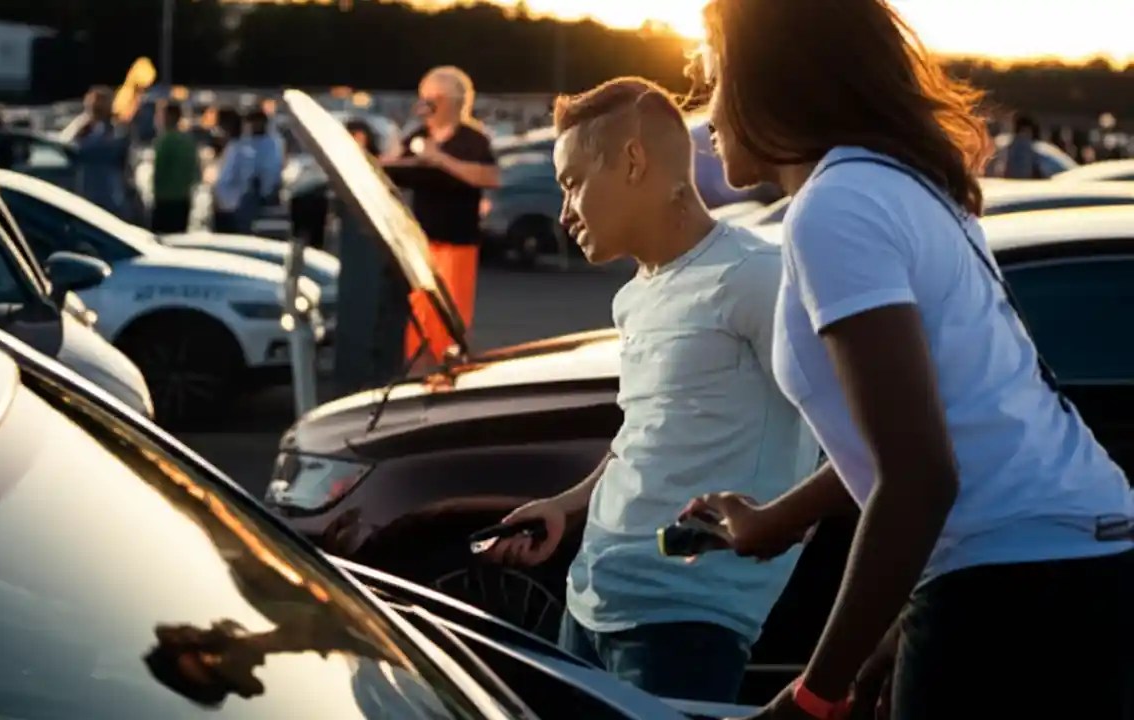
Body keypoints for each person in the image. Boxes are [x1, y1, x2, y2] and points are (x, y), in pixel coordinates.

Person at [689, 2, 1134, 718]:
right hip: (1071, 561)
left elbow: (920, 476)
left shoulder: (836, 208)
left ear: (771, 81)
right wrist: (780, 522)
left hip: (1020, 587)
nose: (706, 114)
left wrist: (813, 696)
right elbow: (926, 421)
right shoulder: (896, 185)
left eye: (712, 79)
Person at [484, 77, 821, 704]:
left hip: (683, 624)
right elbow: (644, 432)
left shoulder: (753, 276)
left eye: (572, 182)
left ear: (634, 161)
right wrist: (567, 505)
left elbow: (852, 438)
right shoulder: (633, 297)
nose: (563, 211)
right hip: (589, 600)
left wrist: (782, 523)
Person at [383, 66, 500, 363]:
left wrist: (441, 160)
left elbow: (489, 177)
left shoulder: (472, 139)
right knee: (419, 317)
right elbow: (396, 168)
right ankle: (418, 368)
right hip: (422, 243)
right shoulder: (417, 136)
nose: (426, 107)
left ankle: (448, 367)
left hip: (457, 243)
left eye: (432, 99)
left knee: (450, 316)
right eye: (423, 99)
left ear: (452, 101)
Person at [71, 86, 133, 219]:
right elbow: (67, 145)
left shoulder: (116, 131)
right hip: (88, 192)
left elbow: (119, 152)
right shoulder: (84, 129)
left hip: (110, 194)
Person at [151, 101, 201, 234]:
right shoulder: (188, 141)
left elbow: (159, 172)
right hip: (183, 198)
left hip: (164, 200)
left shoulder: (165, 141)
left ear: (167, 117)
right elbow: (196, 172)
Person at [211, 107, 257, 234]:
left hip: (232, 211)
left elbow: (236, 182)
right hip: (226, 209)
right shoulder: (230, 149)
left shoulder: (240, 151)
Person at [246, 106, 284, 209]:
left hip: (268, 190)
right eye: (252, 123)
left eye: (257, 123)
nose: (255, 126)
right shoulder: (244, 143)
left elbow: (275, 167)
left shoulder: (273, 143)